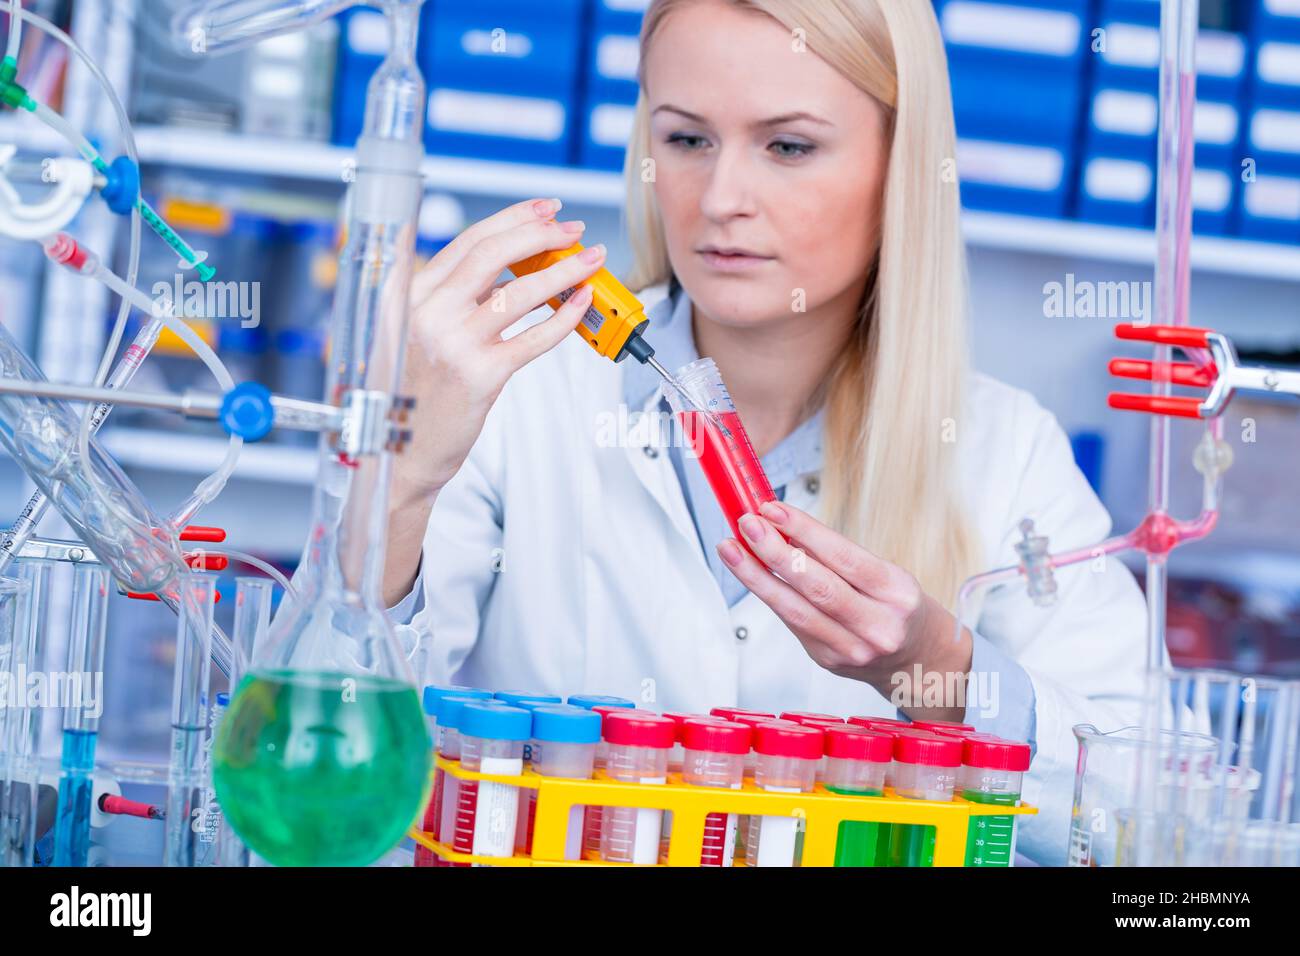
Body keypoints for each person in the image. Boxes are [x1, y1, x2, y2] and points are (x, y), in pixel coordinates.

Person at [381, 0, 1148, 864]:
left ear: (902, 166)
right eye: (685, 139)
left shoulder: (1005, 454)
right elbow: (316, 784)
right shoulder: (517, 397)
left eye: (788, 146)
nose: (720, 200)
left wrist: (940, 668)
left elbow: (1148, 830)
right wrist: (397, 479)